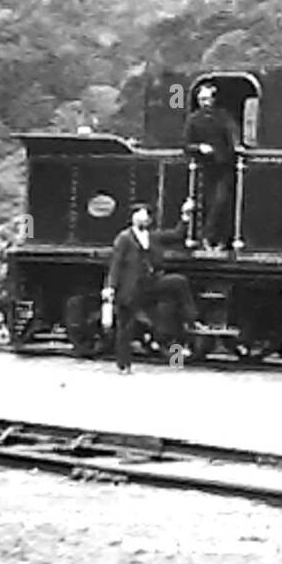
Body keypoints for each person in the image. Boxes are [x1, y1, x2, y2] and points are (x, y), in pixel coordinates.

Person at [102, 199, 200, 373]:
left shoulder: (153, 236)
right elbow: (116, 264)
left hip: (151, 283)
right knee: (125, 327)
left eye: (145, 215)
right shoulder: (124, 238)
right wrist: (110, 287)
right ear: (133, 218)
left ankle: (190, 323)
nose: (143, 219)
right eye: (139, 215)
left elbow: (177, 234)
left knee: (178, 284)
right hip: (131, 289)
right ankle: (123, 365)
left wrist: (185, 216)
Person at [184, 84, 240, 251]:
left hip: (225, 165)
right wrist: (199, 148)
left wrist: (237, 146)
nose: (205, 102)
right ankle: (208, 239)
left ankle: (219, 238)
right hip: (206, 168)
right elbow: (186, 145)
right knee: (209, 203)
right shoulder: (193, 120)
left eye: (208, 99)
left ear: (214, 99)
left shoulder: (224, 116)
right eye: (201, 99)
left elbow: (233, 133)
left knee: (222, 201)